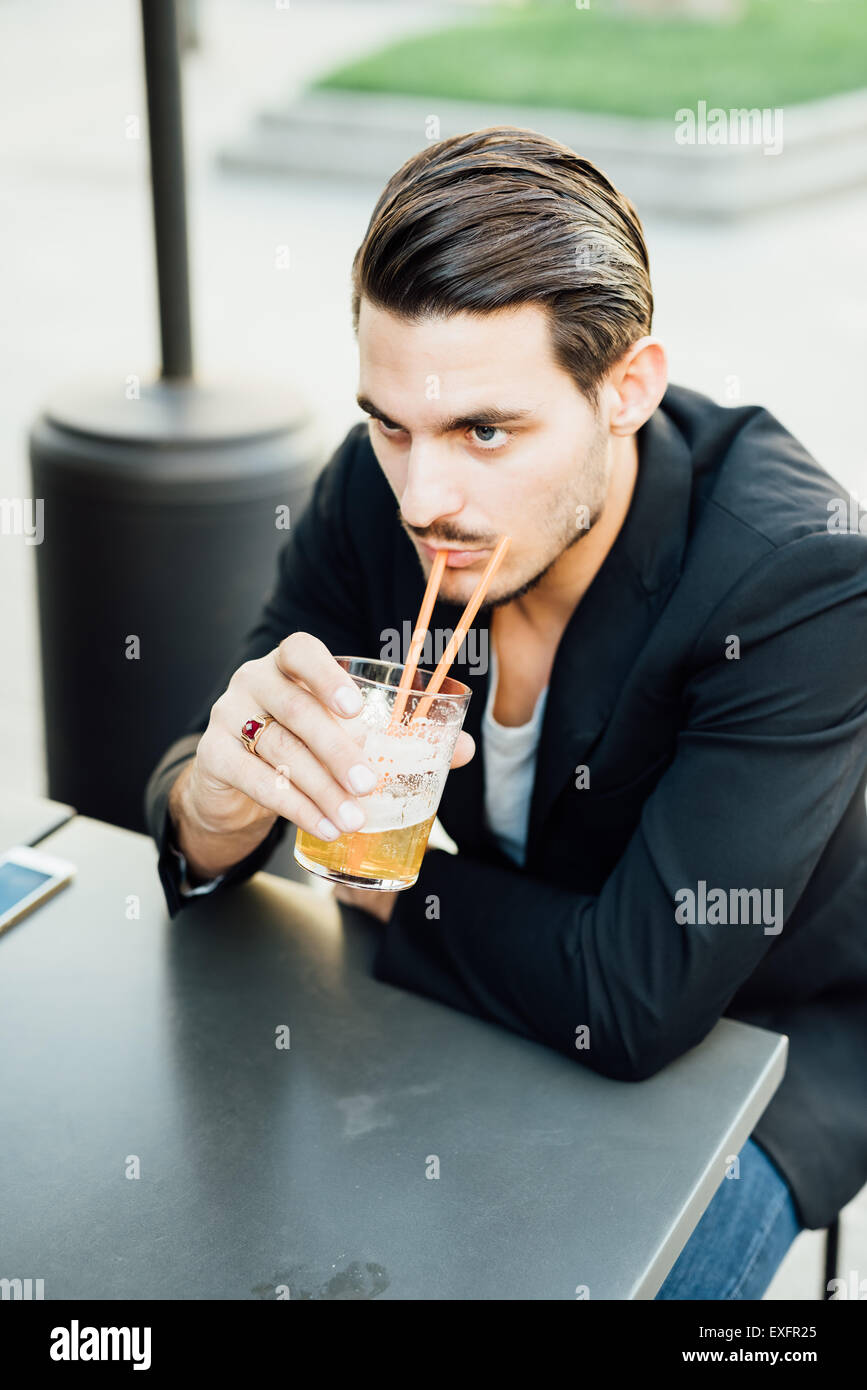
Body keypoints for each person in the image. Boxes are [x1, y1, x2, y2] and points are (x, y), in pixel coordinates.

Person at [145, 127, 867, 1299]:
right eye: (391, 422)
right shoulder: (379, 482)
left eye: (488, 430)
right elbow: (208, 783)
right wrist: (218, 800)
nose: (425, 496)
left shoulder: (795, 579)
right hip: (493, 982)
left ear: (626, 387)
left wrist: (375, 880)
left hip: (766, 1032)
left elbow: (636, 999)